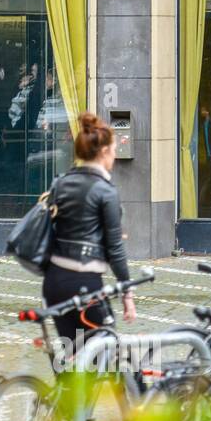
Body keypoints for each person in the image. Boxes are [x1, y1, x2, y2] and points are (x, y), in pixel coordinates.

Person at [42, 112, 134, 353]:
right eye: (113, 149)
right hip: (84, 281)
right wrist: (127, 293)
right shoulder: (106, 191)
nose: (115, 155)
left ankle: (63, 390)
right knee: (108, 351)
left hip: (54, 281)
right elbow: (115, 248)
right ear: (103, 152)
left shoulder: (60, 183)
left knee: (73, 353)